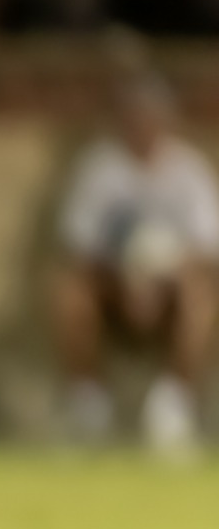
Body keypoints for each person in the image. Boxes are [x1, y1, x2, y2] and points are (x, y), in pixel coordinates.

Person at [52, 74, 219, 453]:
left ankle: (173, 407)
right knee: (68, 292)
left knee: (202, 297)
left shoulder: (189, 173)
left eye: (150, 116)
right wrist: (127, 281)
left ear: (166, 120)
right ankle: (87, 407)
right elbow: (79, 245)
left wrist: (159, 281)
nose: (142, 125)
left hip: (171, 290)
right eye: (134, 116)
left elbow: (207, 248)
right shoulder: (100, 170)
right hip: (112, 287)